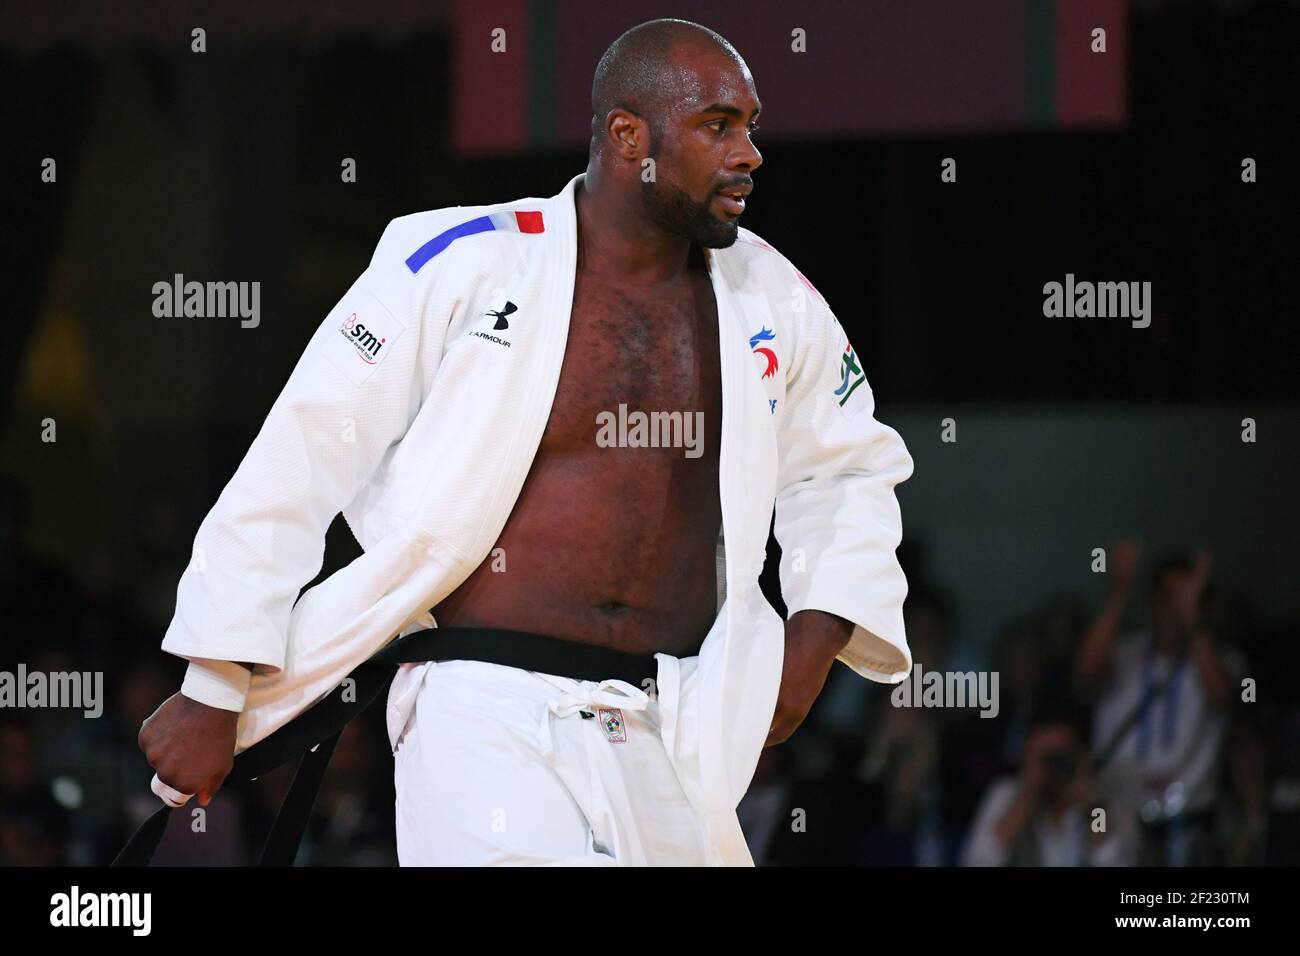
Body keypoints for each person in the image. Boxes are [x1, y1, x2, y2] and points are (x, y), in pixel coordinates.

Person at [137, 18, 914, 866]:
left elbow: (848, 468)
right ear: (628, 136)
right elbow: (302, 455)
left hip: (678, 716)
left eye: (750, 127)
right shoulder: (461, 259)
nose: (749, 153)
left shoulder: (773, 296)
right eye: (717, 125)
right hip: (481, 703)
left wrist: (812, 644)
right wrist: (213, 682)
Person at [1074, 542, 1242, 865]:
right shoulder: (1124, 655)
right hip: (1116, 816)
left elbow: (1223, 697)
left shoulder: (1223, 660)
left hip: (1188, 820)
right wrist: (1119, 593)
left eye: (1186, 597)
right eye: (1167, 596)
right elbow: (1085, 673)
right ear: (1150, 601)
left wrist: (1194, 621)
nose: (1174, 607)